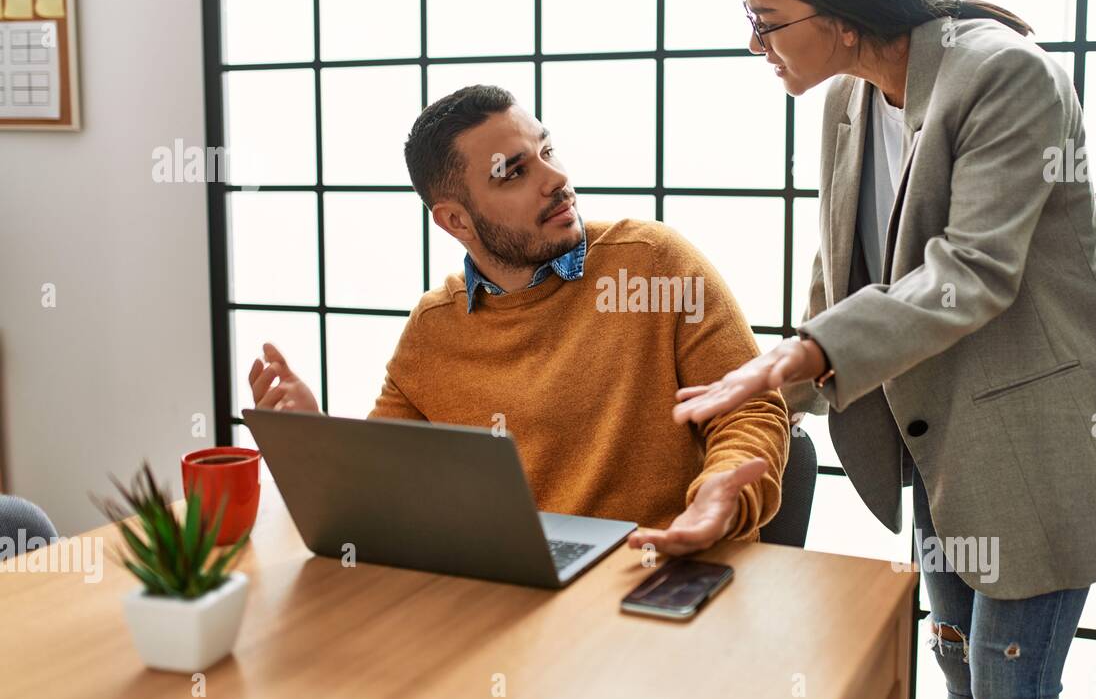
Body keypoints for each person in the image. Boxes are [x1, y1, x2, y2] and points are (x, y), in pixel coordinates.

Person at [674, 0, 1096, 699]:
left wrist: (800, 360)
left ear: (840, 12)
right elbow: (838, 275)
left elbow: (973, 270)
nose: (753, 42)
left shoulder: (1003, 74)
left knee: (1010, 692)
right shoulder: (848, 96)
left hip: (1043, 442)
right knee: (952, 668)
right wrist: (769, 396)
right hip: (941, 446)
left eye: (767, 20)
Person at [248, 84, 789, 556]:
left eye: (547, 150)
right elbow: (384, 497)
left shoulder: (652, 263)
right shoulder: (433, 332)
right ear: (456, 220)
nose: (555, 178)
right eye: (514, 172)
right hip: (519, 602)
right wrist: (314, 439)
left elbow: (752, 412)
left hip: (663, 569)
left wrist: (722, 494)